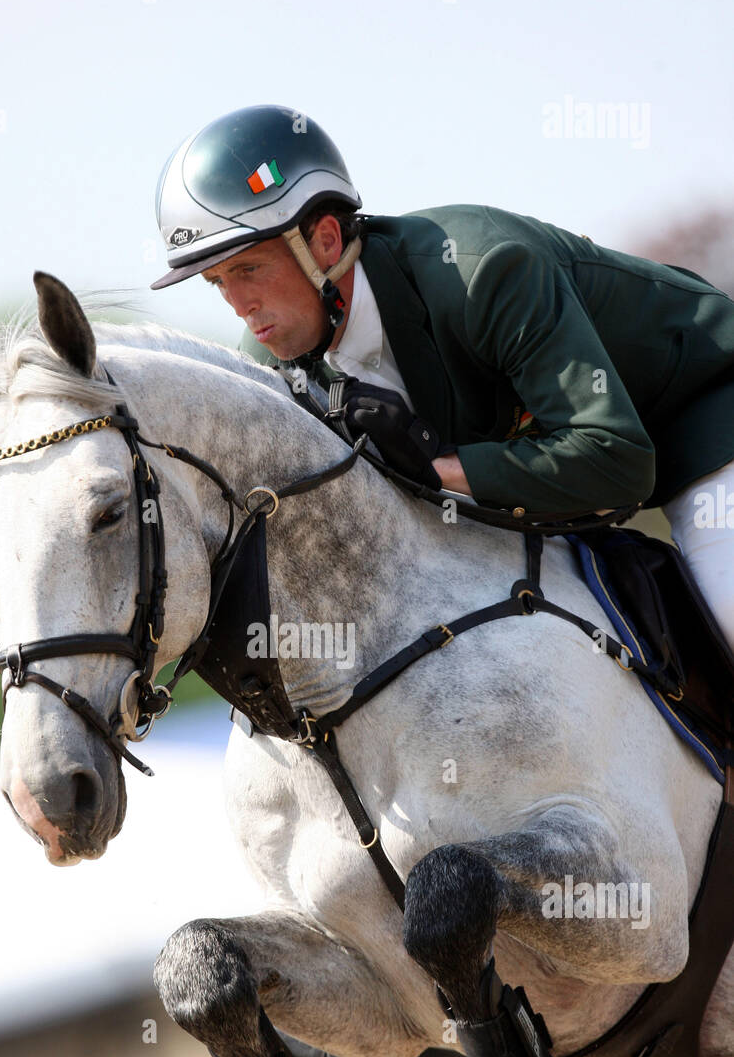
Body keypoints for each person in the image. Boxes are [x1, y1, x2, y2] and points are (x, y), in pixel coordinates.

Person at [150, 105, 734, 651]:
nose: (238, 303)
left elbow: (617, 460)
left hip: (707, 414)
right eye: (218, 281)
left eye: (249, 268)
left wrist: (440, 473)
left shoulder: (487, 272)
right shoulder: (274, 358)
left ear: (325, 242)